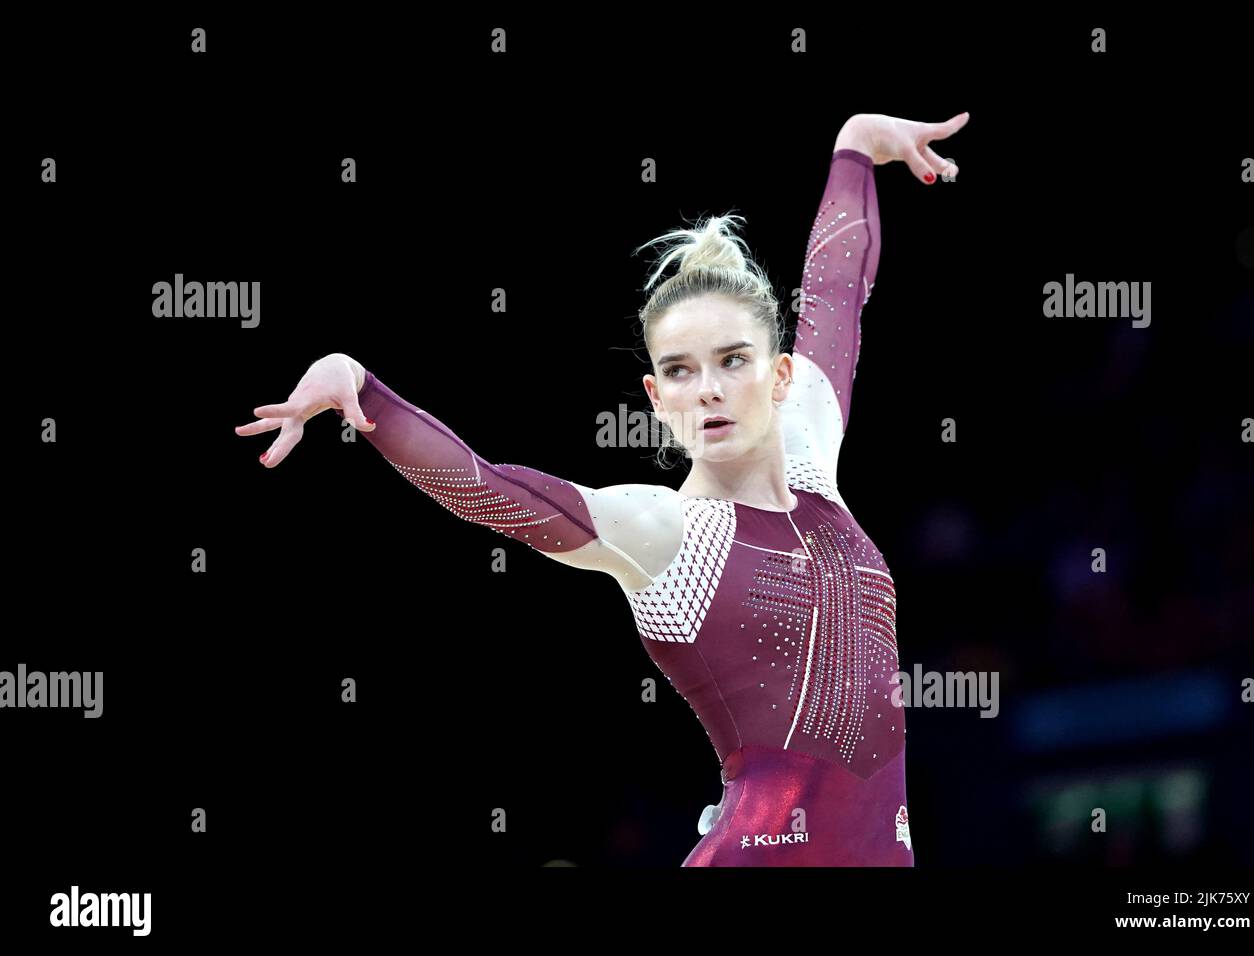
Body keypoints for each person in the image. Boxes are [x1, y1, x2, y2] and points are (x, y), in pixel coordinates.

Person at [235, 111, 969, 865]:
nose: (707, 390)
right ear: (655, 396)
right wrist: (362, 392)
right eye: (680, 371)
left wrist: (856, 147)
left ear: (778, 374)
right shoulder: (663, 530)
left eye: (732, 360)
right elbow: (493, 490)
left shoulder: (811, 443)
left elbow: (837, 293)